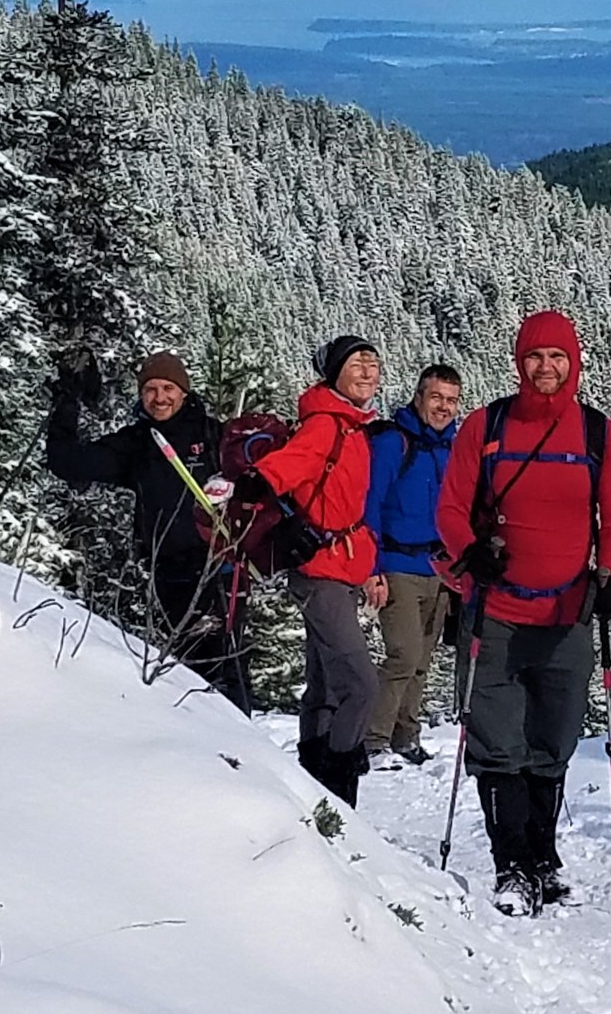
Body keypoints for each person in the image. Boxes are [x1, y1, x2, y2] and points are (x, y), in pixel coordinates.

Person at [436, 311, 611, 916]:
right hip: (495, 611)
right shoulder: (486, 426)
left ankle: (543, 859)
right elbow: (450, 506)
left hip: (568, 615)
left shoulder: (600, 435)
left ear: (573, 364)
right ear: (518, 362)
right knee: (497, 743)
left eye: (557, 358)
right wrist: (471, 552)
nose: (545, 369)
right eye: (534, 358)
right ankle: (512, 866)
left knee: (553, 739)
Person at [44, 350, 249, 711]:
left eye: (168, 388)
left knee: (225, 666)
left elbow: (263, 479)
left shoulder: (214, 436)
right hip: (168, 571)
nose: (160, 397)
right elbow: (68, 462)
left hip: (221, 568)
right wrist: (66, 404)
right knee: (187, 668)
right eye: (150, 389)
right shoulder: (137, 444)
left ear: (184, 392)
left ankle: (242, 755)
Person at [250, 335, 384, 806]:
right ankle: (337, 786)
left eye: (373, 363)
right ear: (334, 374)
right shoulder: (327, 423)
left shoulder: (352, 427)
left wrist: (369, 568)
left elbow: (351, 507)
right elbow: (293, 463)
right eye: (356, 364)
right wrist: (256, 480)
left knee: (326, 683)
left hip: (341, 567)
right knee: (362, 685)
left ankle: (314, 785)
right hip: (320, 571)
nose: (368, 372)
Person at [361, 364, 464, 769]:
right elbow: (370, 503)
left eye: (451, 400)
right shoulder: (394, 443)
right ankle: (374, 739)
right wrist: (373, 567)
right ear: (418, 396)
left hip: (439, 568)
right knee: (402, 654)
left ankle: (407, 735)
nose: (443, 407)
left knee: (422, 659)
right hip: (397, 563)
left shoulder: (454, 449)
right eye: (436, 397)